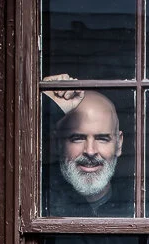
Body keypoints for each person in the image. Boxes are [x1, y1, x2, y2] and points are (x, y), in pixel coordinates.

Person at [42, 77, 132, 217]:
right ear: (57, 143)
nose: (90, 151)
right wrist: (47, 104)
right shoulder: (39, 201)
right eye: (77, 138)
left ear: (119, 144)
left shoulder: (139, 208)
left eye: (102, 139)